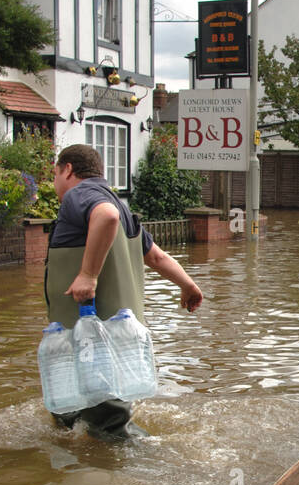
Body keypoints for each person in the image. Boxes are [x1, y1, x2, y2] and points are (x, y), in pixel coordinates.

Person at [45, 144, 203, 438]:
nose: (55, 183)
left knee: (106, 426)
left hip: (91, 335)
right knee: (102, 414)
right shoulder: (122, 206)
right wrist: (188, 285)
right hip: (116, 336)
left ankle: (144, 468)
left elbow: (106, 217)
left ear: (68, 170)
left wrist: (88, 275)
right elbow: (156, 257)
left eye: (55, 174)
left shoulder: (78, 195)